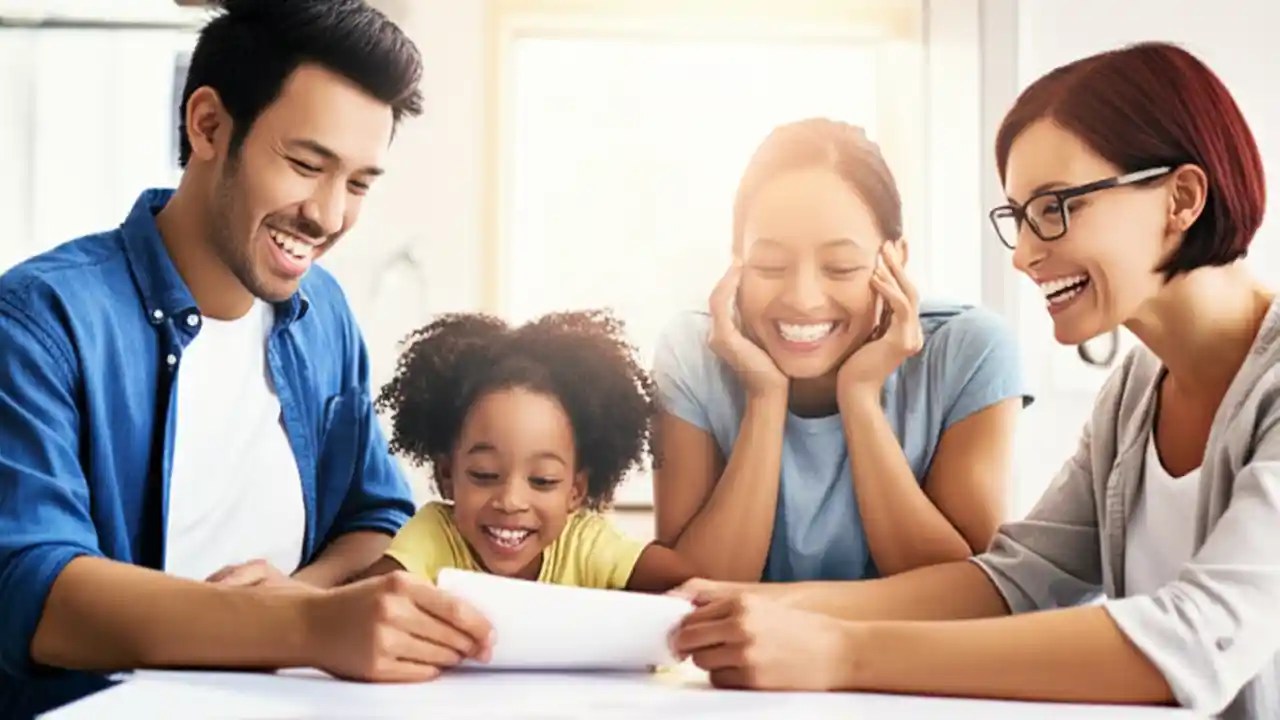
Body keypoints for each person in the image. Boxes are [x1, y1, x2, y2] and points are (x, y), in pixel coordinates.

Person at [669, 41, 1280, 720]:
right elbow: (1013, 581)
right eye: (1017, 219)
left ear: (1183, 198)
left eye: (1055, 208)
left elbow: (1197, 638)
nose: (1022, 255)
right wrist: (726, 608)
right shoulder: (1136, 394)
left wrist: (841, 651)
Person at [0, 2, 493, 716]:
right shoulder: (41, 319)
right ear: (207, 125)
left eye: (357, 184)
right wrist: (305, 627)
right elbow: (30, 590)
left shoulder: (324, 317)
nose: (327, 216)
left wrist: (307, 599)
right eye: (304, 164)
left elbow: (378, 518)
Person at [651, 118, 1032, 583]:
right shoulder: (694, 352)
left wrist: (861, 397)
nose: (803, 298)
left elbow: (971, 593)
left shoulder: (970, 351)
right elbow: (690, 587)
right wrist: (766, 398)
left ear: (894, 261)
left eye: (840, 266)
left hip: (916, 657)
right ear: (737, 260)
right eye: (770, 264)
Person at [361, 310, 694, 594]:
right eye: (484, 475)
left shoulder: (584, 544)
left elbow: (688, 583)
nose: (510, 501)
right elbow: (366, 600)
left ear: (575, 492)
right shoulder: (436, 535)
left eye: (543, 480)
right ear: (447, 475)